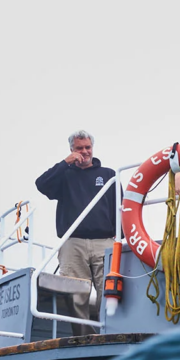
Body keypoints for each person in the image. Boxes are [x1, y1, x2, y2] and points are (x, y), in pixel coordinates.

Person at [35, 130, 117, 335]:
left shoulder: (108, 175)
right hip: (73, 242)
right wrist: (65, 163)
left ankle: (106, 333)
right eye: (79, 148)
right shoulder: (64, 176)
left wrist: (119, 236)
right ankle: (84, 336)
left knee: (107, 289)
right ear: (72, 150)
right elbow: (41, 184)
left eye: (87, 147)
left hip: (104, 241)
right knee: (75, 293)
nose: (84, 151)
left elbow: (120, 206)